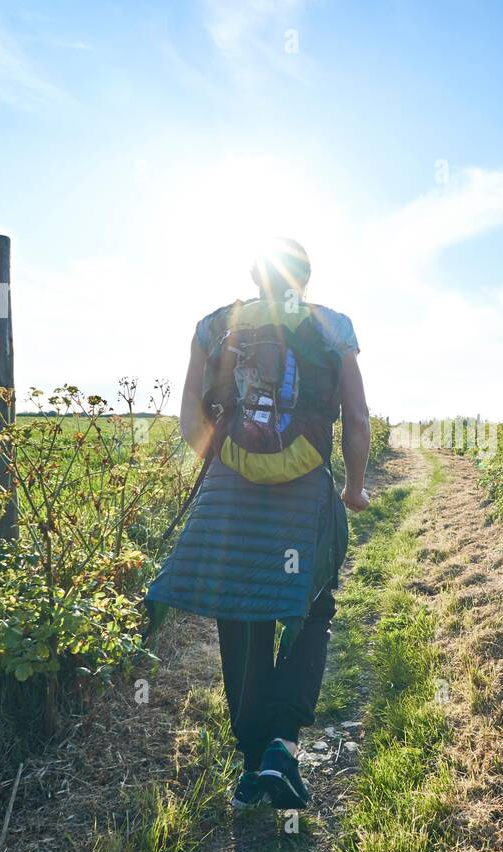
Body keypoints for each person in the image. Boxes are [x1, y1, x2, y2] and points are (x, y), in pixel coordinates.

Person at [145, 238, 370, 810]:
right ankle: (280, 748)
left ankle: (252, 764)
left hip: (230, 496)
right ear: (306, 278)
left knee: (239, 615)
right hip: (304, 493)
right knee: (310, 606)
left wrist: (227, 466)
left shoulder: (215, 324)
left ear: (253, 274)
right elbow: (358, 416)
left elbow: (189, 413)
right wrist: (352, 486)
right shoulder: (333, 327)